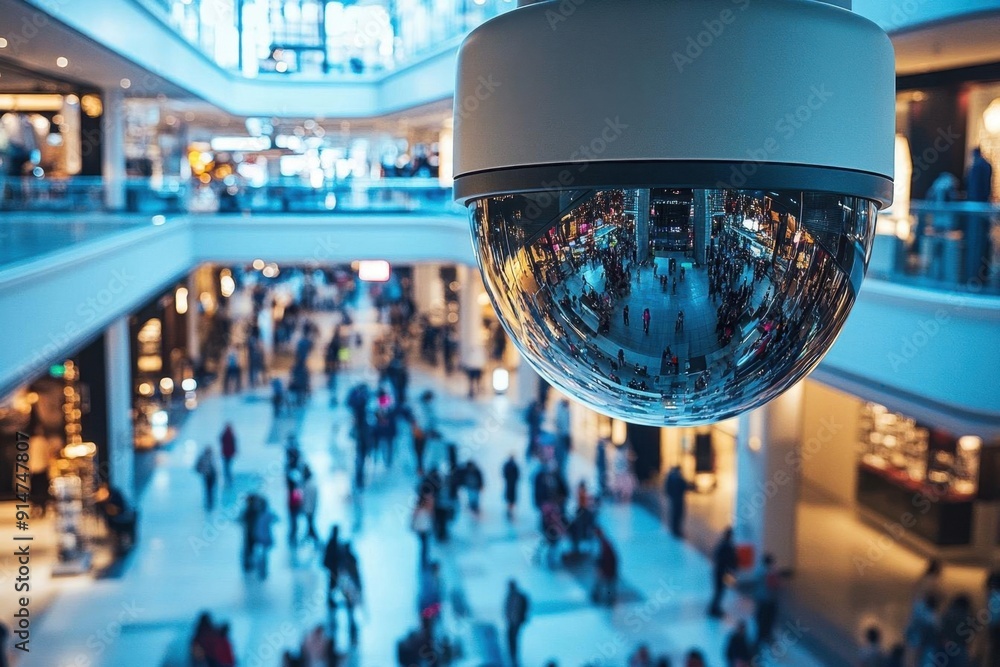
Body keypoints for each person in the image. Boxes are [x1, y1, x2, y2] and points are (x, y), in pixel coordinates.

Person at [337, 541, 363, 645]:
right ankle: (353, 632)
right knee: (351, 614)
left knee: (351, 614)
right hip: (350, 589)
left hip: (350, 590)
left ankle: (353, 632)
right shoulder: (350, 560)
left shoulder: (345, 561)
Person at [708, 527, 737, 617]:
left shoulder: (722, 544)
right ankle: (714, 609)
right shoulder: (727, 546)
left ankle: (715, 608)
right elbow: (730, 560)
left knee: (719, 591)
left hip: (719, 571)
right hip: (722, 572)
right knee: (719, 591)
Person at [754, 553, 781, 648]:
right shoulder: (770, 573)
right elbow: (775, 585)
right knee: (768, 619)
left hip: (760, 599)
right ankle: (766, 636)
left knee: (760, 618)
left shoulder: (758, 570)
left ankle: (760, 637)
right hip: (769, 600)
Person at [503, 579, 530, 667]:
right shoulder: (510, 595)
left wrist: (521, 618)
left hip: (516, 622)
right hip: (511, 621)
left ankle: (514, 659)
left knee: (513, 640)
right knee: (510, 640)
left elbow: (522, 608)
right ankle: (512, 658)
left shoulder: (519, 596)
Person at [664, 465, 693, 538]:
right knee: (677, 515)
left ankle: (675, 529)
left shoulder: (671, 478)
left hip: (675, 499)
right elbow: (685, 486)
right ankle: (675, 530)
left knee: (675, 515)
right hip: (677, 499)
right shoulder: (677, 479)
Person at [592, 526, 618, 606]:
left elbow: (601, 557)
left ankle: (601, 597)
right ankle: (606, 597)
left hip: (607, 567)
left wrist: (600, 568)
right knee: (607, 583)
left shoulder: (602, 544)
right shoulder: (605, 543)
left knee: (605, 583)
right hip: (610, 567)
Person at [252, 498, 277, 579]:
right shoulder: (267, 513)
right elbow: (276, 518)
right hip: (264, 536)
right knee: (263, 554)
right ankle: (262, 568)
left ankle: (261, 568)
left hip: (260, 536)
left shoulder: (258, 514)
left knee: (261, 553)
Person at [411, 492, 434, 566]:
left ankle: (424, 558)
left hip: (425, 528)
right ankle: (424, 559)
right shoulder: (418, 509)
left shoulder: (427, 508)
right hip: (422, 529)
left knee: (425, 544)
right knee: (424, 544)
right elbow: (413, 518)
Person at [300, 466, 319, 547]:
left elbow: (307, 499)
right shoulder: (311, 484)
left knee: (310, 525)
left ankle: (314, 538)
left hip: (309, 509)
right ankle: (310, 536)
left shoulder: (309, 485)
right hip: (310, 509)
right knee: (310, 525)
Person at [195, 447, 218, 511]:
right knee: (209, 490)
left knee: (209, 490)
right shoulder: (208, 458)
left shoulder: (212, 458)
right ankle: (210, 503)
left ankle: (210, 503)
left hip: (210, 475)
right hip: (208, 476)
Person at [502, 455, 520, 520]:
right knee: (510, 498)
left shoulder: (513, 465)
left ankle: (510, 510)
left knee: (511, 498)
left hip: (512, 484)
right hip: (510, 484)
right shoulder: (511, 465)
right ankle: (509, 511)